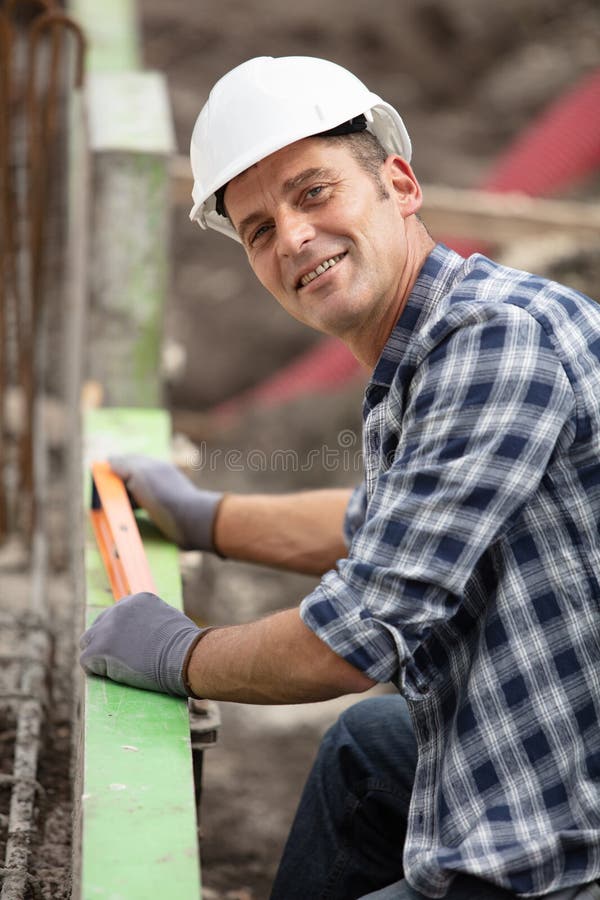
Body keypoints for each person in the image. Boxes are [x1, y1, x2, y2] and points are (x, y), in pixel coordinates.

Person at [79, 56, 600, 900]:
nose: (290, 238)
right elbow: (390, 525)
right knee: (370, 744)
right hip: (559, 733)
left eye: (313, 192)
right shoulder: (448, 333)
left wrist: (179, 654)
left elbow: (350, 639)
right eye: (257, 228)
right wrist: (206, 517)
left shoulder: (495, 347)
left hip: (569, 845)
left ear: (399, 182)